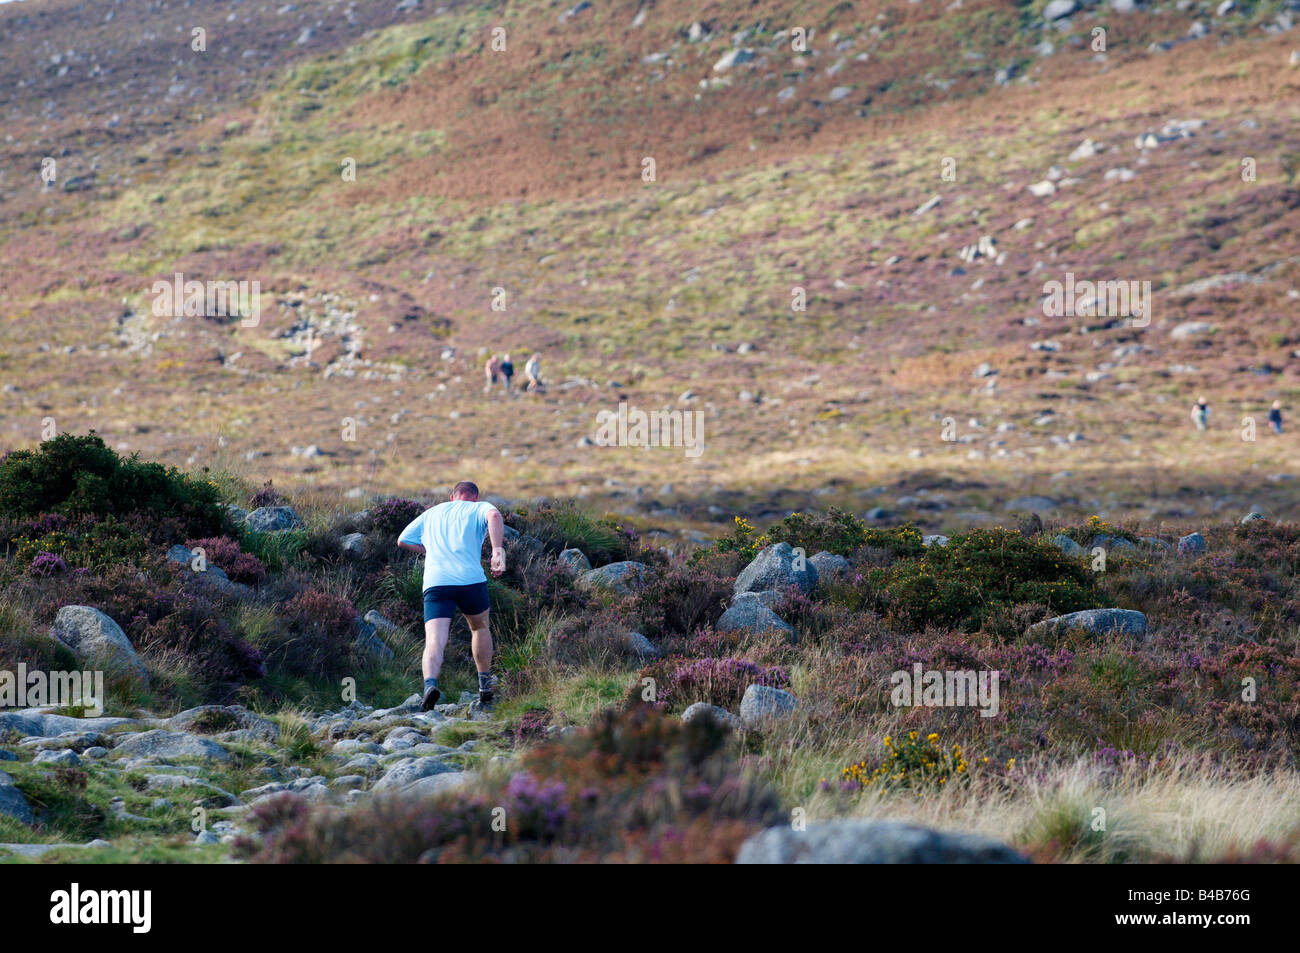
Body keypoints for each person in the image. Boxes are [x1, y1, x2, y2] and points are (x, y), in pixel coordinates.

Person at [397, 481, 506, 712]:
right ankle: (485, 684)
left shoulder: (432, 513)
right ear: (475, 498)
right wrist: (497, 552)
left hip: (436, 583)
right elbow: (495, 516)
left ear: (452, 496)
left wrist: (426, 550)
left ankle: (430, 686)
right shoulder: (479, 508)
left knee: (434, 640)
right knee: (479, 628)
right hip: (471, 581)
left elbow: (403, 540)